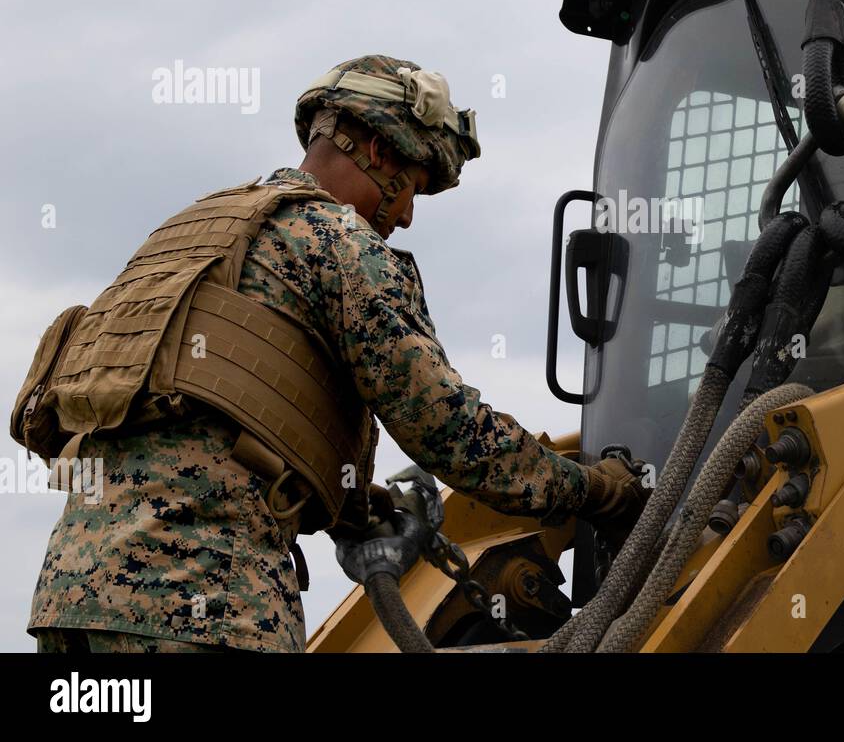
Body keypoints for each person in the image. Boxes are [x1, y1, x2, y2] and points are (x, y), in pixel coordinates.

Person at [15, 54, 648, 653]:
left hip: (71, 603)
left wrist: (345, 501)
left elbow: (216, 415)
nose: (403, 217)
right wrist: (598, 491)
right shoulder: (337, 242)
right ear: (378, 152)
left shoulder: (193, 234)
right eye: (410, 191)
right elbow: (455, 435)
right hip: (207, 608)